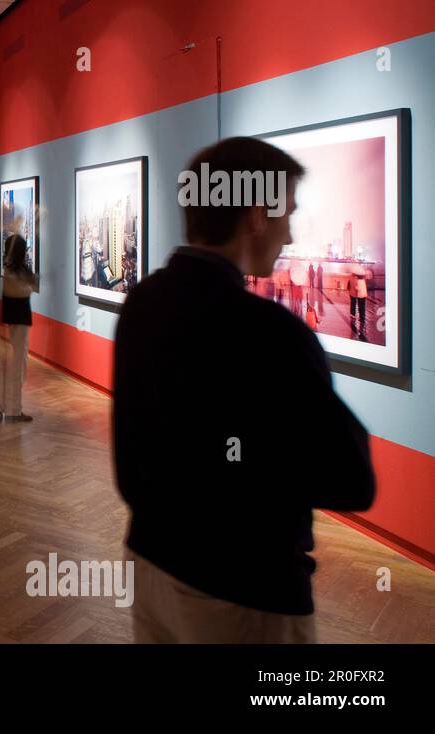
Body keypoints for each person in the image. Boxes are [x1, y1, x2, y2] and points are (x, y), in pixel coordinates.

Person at [113, 136, 374, 643]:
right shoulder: (272, 332)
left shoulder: (144, 302)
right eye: (286, 215)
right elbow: (351, 480)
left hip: (151, 564)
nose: (290, 234)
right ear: (256, 214)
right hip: (247, 593)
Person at [0, 234, 36, 423]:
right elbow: (25, 290)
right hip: (19, 319)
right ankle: (13, 409)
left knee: (2, 365)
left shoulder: (9, 269)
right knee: (17, 365)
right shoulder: (15, 271)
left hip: (9, 318)